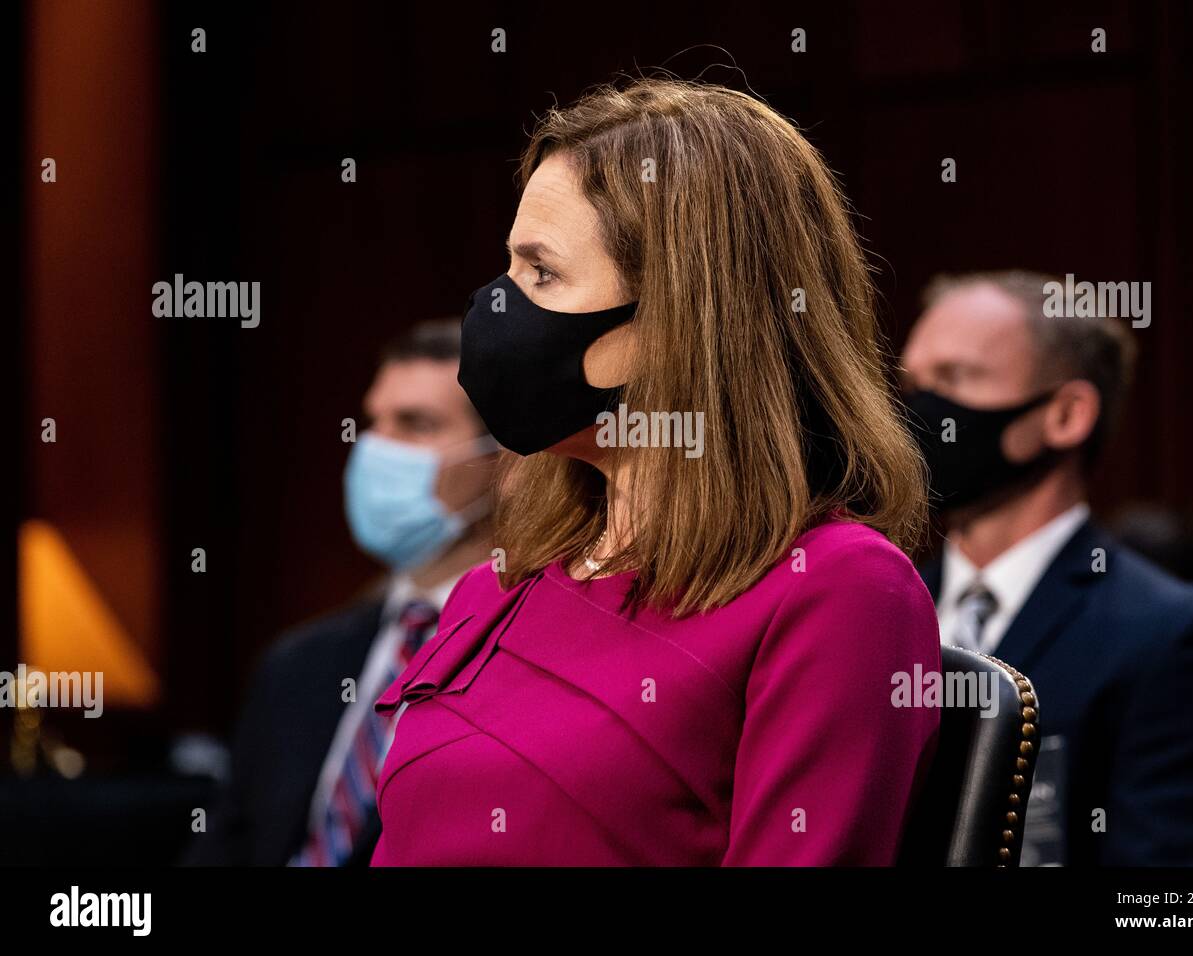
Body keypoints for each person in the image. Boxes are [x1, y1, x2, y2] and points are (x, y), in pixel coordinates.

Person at [369, 77, 941, 866]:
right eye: (508, 268)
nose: (495, 309)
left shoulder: (837, 589)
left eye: (542, 274)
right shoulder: (497, 586)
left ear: (679, 317)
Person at [900, 270, 1193, 865]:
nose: (917, 411)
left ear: (1066, 414)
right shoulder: (889, 603)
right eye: (912, 384)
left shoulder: (1171, 635)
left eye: (956, 378)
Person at [183, 319, 498, 866]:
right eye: (373, 421)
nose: (376, 447)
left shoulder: (533, 655)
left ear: (504, 460)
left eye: (415, 424)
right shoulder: (296, 664)